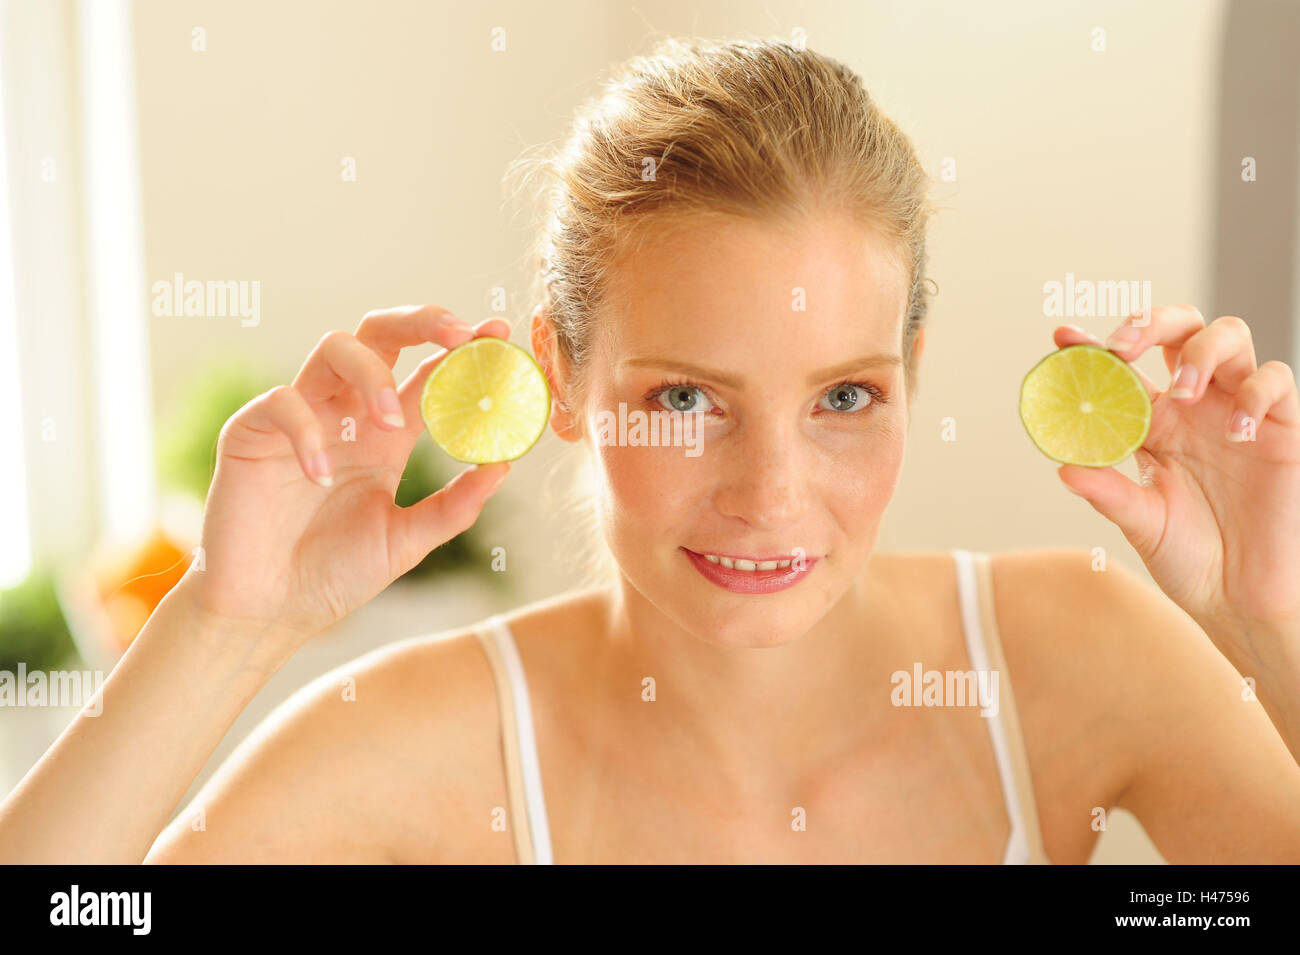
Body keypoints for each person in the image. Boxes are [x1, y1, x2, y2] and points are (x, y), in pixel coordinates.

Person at [2, 37, 1298, 865]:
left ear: (910, 375)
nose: (769, 497)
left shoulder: (1067, 656)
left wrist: (1270, 618)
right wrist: (227, 622)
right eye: (684, 400)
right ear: (560, 380)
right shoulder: (429, 739)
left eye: (843, 399)